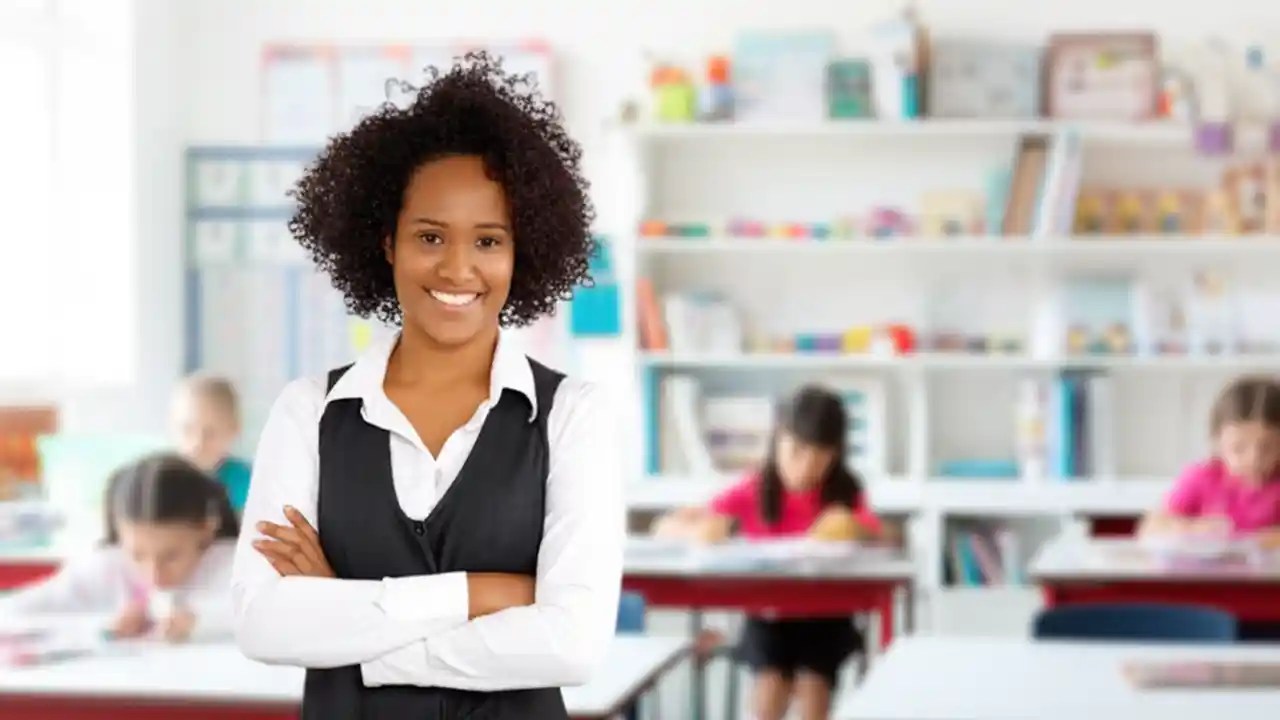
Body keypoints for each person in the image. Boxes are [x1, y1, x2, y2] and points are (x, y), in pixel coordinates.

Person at [231, 52, 623, 720]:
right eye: (431, 236)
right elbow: (264, 622)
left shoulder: (573, 417)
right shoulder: (309, 413)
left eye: (489, 241)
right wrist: (481, 594)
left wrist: (356, 629)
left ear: (520, 252)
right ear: (386, 242)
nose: (459, 268)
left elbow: (573, 643)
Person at [653, 384, 882, 720]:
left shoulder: (845, 492)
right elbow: (664, 528)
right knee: (769, 691)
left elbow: (880, 536)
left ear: (835, 456)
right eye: (796, 452)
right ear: (778, 440)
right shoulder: (754, 490)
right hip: (769, 616)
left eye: (819, 460)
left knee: (813, 689)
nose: (804, 469)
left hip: (827, 616)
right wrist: (697, 530)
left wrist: (855, 529)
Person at [1, 453, 238, 643]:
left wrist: (200, 623)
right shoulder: (106, 567)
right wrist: (103, 625)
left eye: (171, 556)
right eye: (137, 555)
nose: (154, 574)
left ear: (207, 529)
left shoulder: (237, 565)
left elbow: (270, 621)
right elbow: (12, 611)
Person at [1140, 374, 1280, 547]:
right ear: (1217, 442)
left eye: (1267, 447)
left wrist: (1262, 540)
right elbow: (1151, 528)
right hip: (1204, 574)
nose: (1254, 459)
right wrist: (1191, 528)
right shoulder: (1202, 477)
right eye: (1238, 448)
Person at [171, 372, 252, 514]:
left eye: (210, 433)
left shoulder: (249, 483)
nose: (197, 443)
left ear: (234, 430)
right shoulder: (161, 482)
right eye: (187, 429)